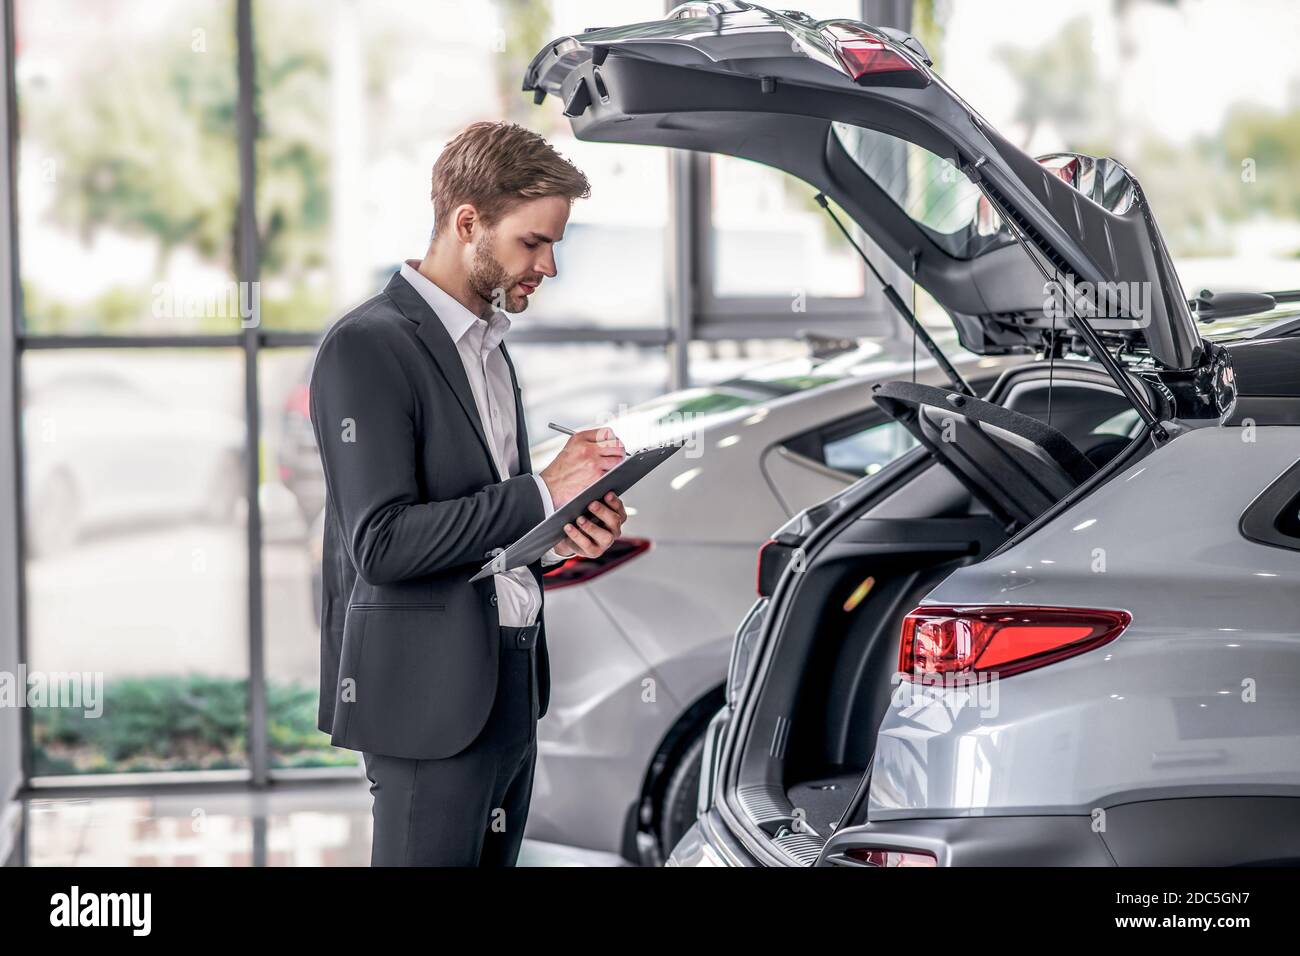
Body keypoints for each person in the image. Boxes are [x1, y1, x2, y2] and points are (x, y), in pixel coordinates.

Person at [309, 120, 628, 866]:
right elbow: (382, 545)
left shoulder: (490, 352)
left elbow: (484, 530)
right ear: (466, 223)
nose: (548, 266)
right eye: (533, 242)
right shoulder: (367, 346)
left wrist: (563, 529)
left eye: (555, 245)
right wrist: (542, 492)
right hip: (427, 700)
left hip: (508, 683)